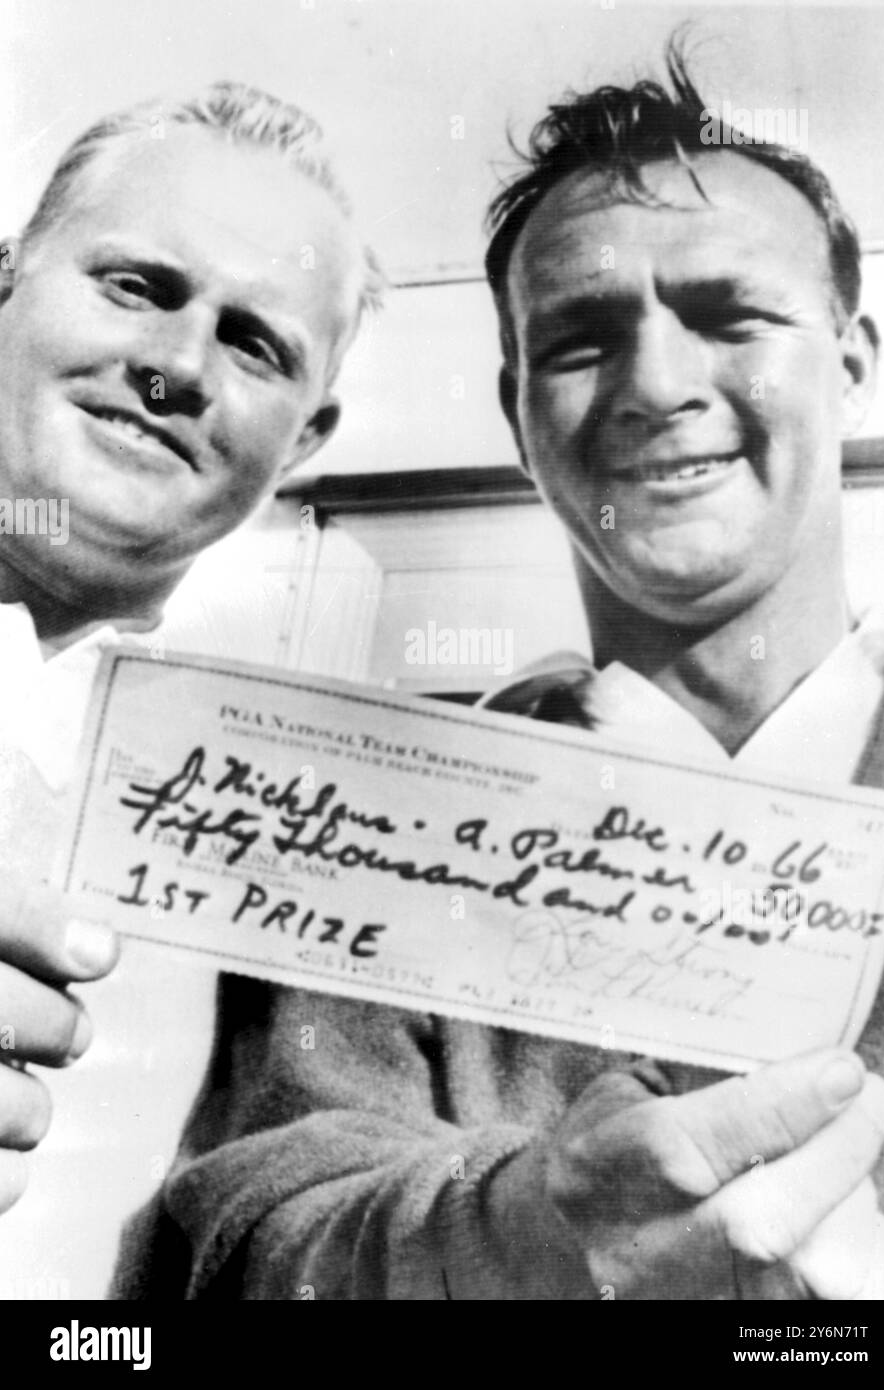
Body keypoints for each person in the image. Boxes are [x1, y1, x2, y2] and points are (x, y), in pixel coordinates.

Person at [120, 50, 884, 1301]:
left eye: (730, 316)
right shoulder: (371, 821)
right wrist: (518, 1231)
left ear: (854, 363)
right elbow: (248, 1231)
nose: (658, 385)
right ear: (517, 411)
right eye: (583, 340)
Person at [0, 81, 381, 1297]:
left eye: (252, 343)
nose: (172, 367)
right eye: (136, 286)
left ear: (306, 438)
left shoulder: (290, 828)